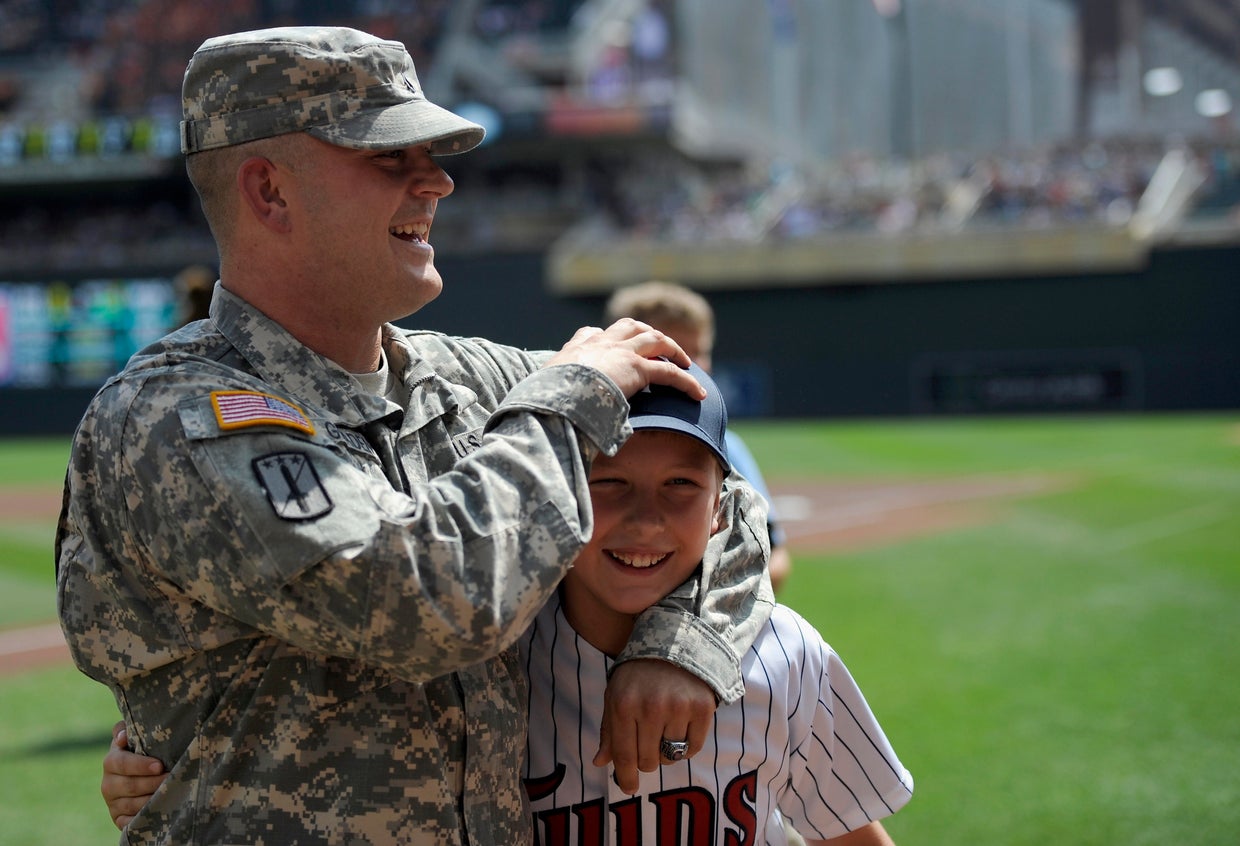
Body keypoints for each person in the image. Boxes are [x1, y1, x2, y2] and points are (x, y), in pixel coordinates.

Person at [58, 26, 772, 844]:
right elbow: (427, 604)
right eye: (388, 159)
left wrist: (682, 638)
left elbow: (722, 497)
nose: (436, 182)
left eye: (430, 156)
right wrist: (569, 403)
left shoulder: (469, 378)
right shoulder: (171, 416)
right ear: (269, 192)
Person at [103, 363, 913, 844]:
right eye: (609, 486)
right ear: (558, 493)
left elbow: (853, 832)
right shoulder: (484, 667)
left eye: (680, 488)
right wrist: (157, 773)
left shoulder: (787, 655)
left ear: (719, 504)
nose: (644, 521)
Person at [605, 279, 794, 593]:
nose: (689, 365)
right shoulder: (585, 437)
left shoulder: (728, 445)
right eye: (671, 349)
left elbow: (775, 559)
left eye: (699, 351)